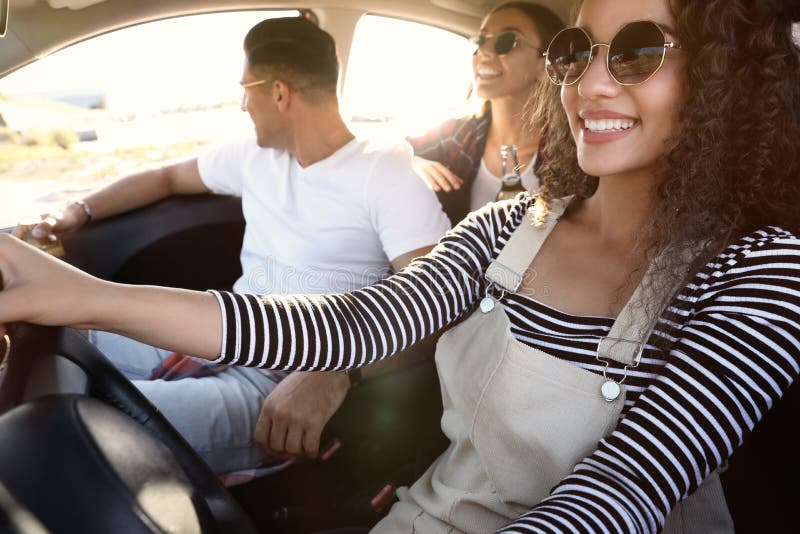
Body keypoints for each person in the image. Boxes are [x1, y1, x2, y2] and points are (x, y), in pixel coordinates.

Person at [2, 0, 800, 531]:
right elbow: (352, 324)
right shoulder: (513, 223)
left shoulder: (761, 272)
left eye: (637, 52)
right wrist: (82, 298)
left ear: (723, 76)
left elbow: (623, 492)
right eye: (577, 51)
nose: (589, 82)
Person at [12, 16, 450, 474]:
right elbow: (164, 177)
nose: (242, 105)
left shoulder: (386, 174)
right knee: (57, 336)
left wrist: (339, 370)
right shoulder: (255, 154)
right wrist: (77, 211)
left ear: (279, 93)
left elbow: (438, 305)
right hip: (225, 333)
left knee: (83, 423)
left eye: (246, 89)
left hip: (292, 373)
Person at [407, 2, 564, 225]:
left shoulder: (567, 150)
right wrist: (412, 163)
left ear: (545, 64)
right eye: (481, 40)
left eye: (507, 40)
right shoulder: (456, 134)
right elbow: (392, 154)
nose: (484, 51)